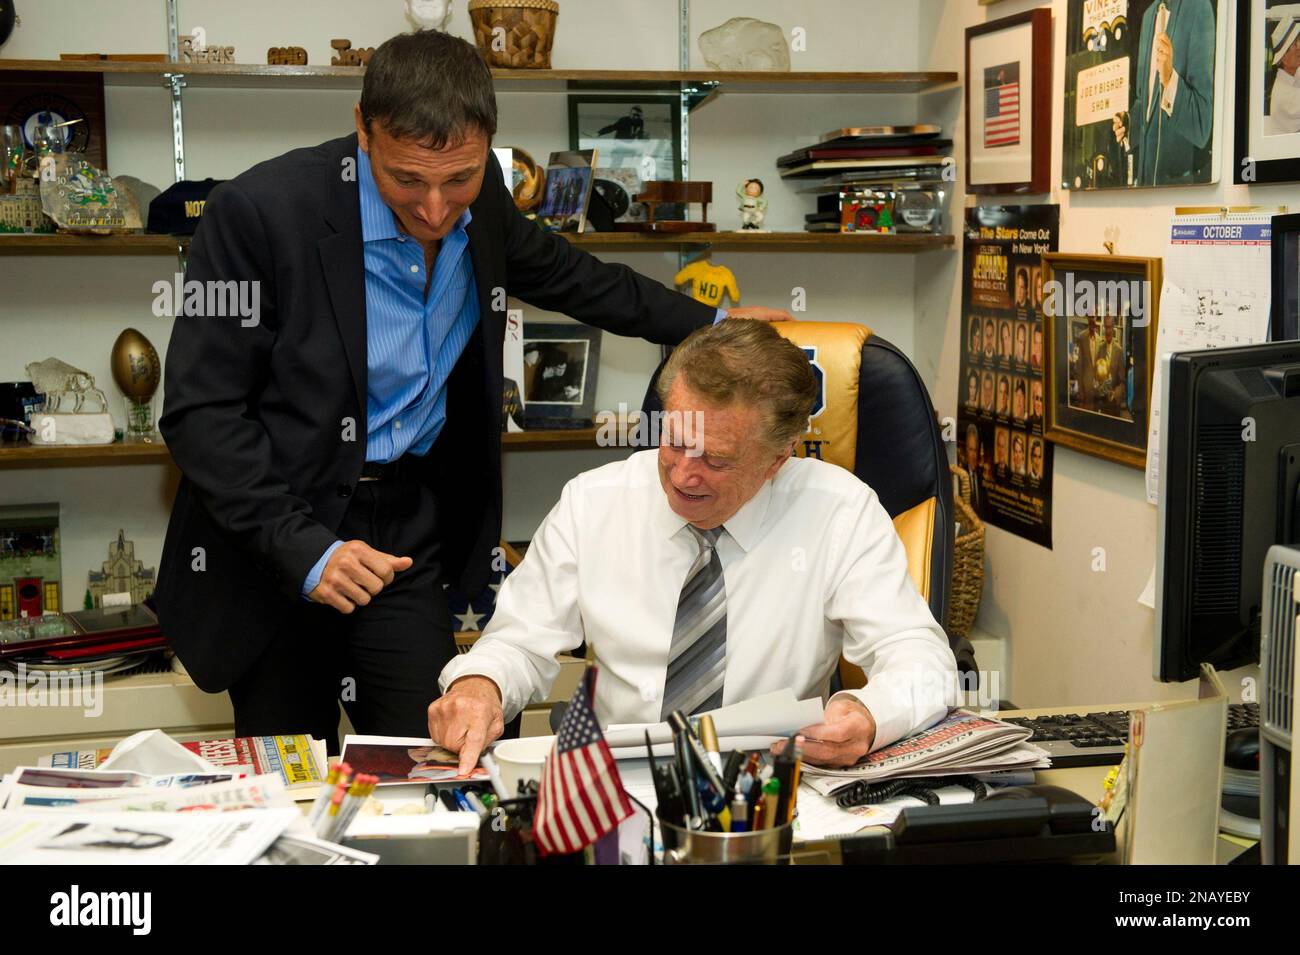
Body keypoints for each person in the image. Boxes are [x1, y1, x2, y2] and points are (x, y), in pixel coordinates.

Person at [154, 31, 791, 750]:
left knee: (444, 760)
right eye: (407, 181)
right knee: (285, 790)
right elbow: (200, 413)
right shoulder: (260, 215)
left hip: (401, 536)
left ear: (485, 145)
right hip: (277, 542)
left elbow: (573, 276)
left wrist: (713, 321)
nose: (434, 209)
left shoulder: (482, 196)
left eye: (456, 179)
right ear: (363, 130)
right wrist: (306, 550)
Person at [428, 321, 957, 771]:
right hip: (621, 786)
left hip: (771, 787)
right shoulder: (595, 502)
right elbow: (519, 642)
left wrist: (868, 714)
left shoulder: (839, 511)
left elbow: (921, 659)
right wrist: (479, 684)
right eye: (675, 441)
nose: (683, 474)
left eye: (717, 459)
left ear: (778, 460)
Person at [1112, 0, 1216, 186]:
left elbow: (1202, 124)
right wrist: (1130, 123)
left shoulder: (1199, 7)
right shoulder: (1148, 16)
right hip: (1146, 186)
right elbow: (1144, 100)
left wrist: (1169, 77)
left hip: (1182, 189)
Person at [1268, 12, 1300, 136]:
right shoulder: (1285, 96)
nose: (1299, 47)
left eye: (1297, 41)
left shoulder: (1293, 72)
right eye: (1293, 45)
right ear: (1283, 59)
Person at [963, 423, 984, 512]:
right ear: (966, 450)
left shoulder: (981, 476)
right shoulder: (961, 476)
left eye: (975, 450)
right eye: (971, 449)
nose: (973, 455)